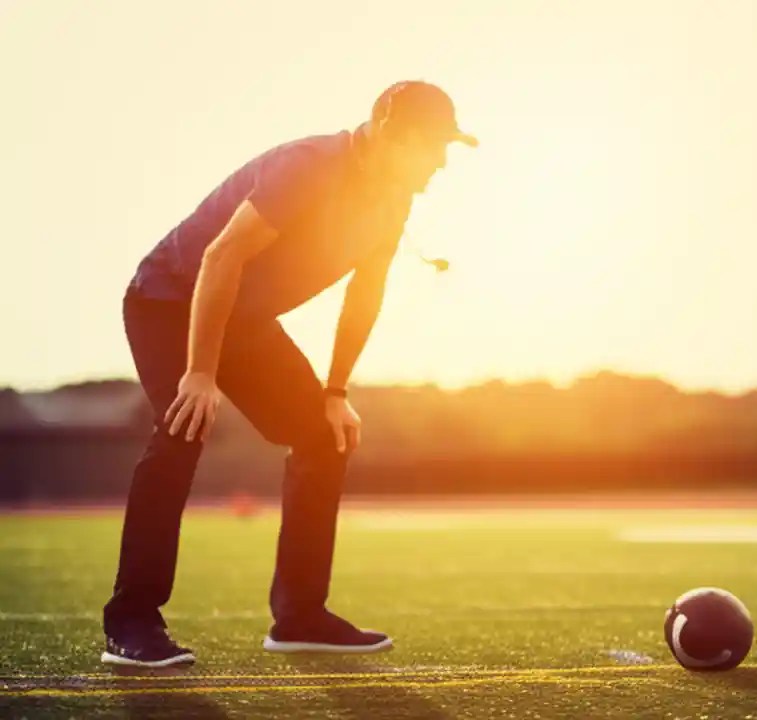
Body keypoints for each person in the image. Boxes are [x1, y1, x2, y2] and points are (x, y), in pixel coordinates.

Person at [101, 81, 476, 667]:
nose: (439, 161)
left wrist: (335, 391)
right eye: (431, 145)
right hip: (170, 301)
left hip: (244, 321)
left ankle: (301, 617)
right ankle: (131, 621)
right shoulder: (307, 167)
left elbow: (365, 294)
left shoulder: (394, 198)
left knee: (323, 435)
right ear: (386, 131)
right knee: (182, 430)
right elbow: (221, 256)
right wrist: (200, 371)